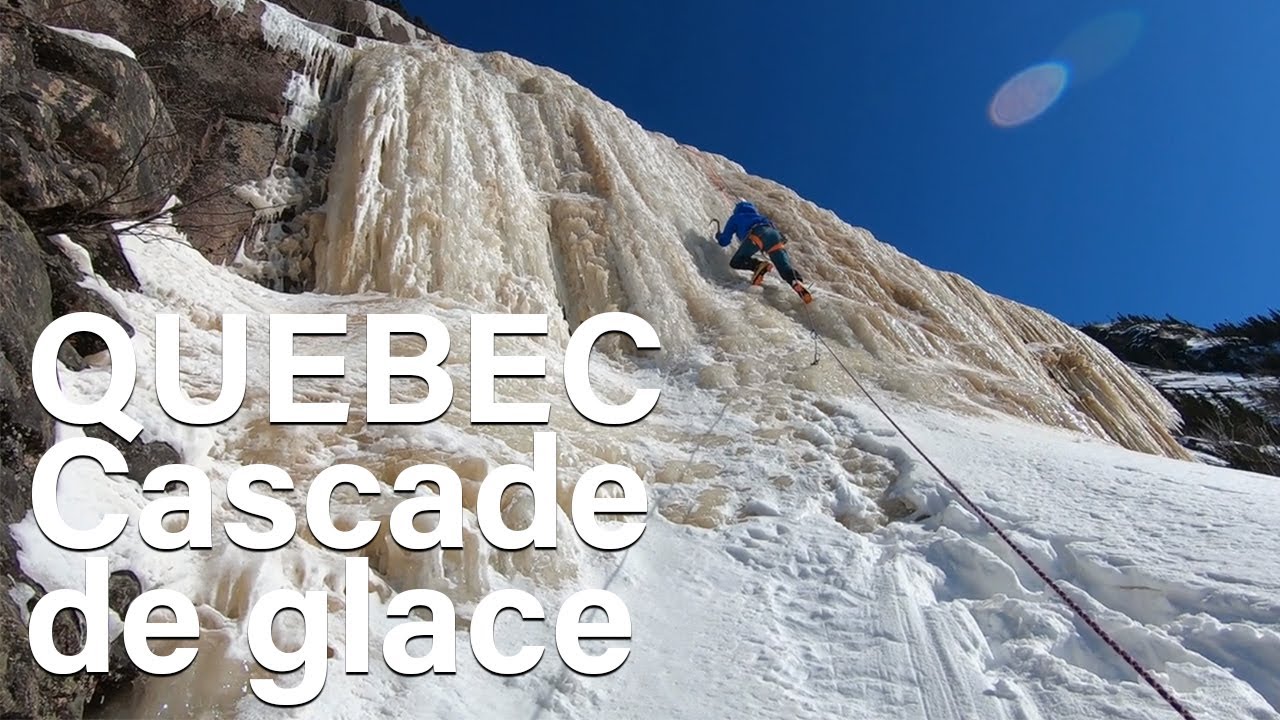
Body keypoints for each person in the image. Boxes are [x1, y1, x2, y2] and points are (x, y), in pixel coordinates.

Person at [716, 200, 812, 303]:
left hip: (757, 235)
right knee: (784, 267)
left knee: (736, 261)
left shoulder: (736, 217)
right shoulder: (761, 217)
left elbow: (724, 241)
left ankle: (758, 265)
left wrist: (719, 236)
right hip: (775, 236)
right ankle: (796, 281)